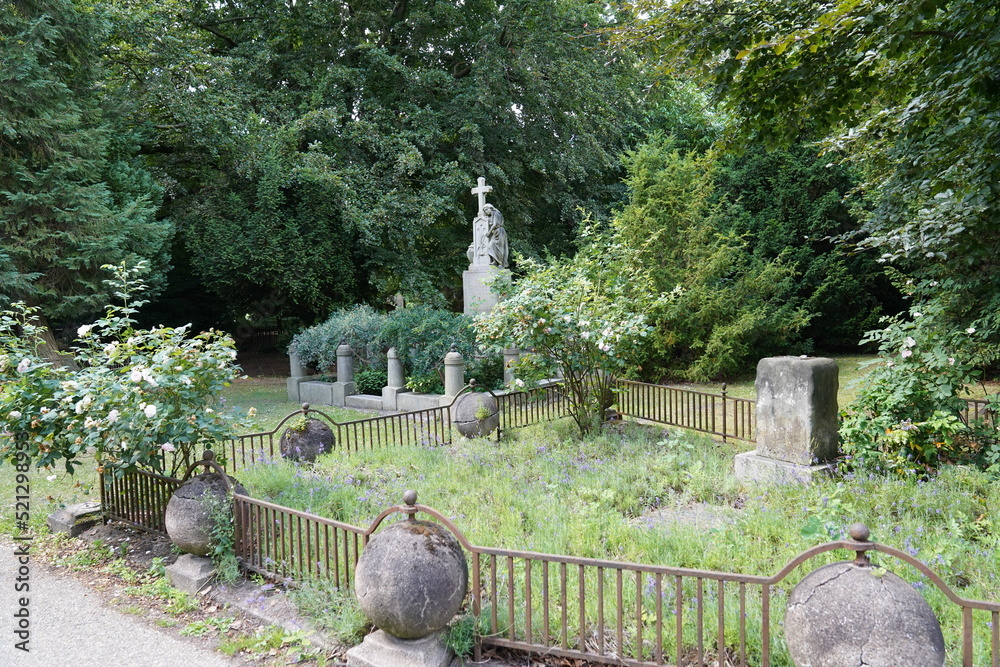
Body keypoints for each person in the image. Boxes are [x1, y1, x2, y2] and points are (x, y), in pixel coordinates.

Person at [483, 204, 508, 268]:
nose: (485, 212)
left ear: (490, 208)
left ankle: (498, 262)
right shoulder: (492, 215)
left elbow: (494, 224)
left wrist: (489, 232)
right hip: (496, 232)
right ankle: (495, 261)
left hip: (499, 231)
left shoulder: (496, 213)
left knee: (497, 247)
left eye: (486, 210)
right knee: (491, 246)